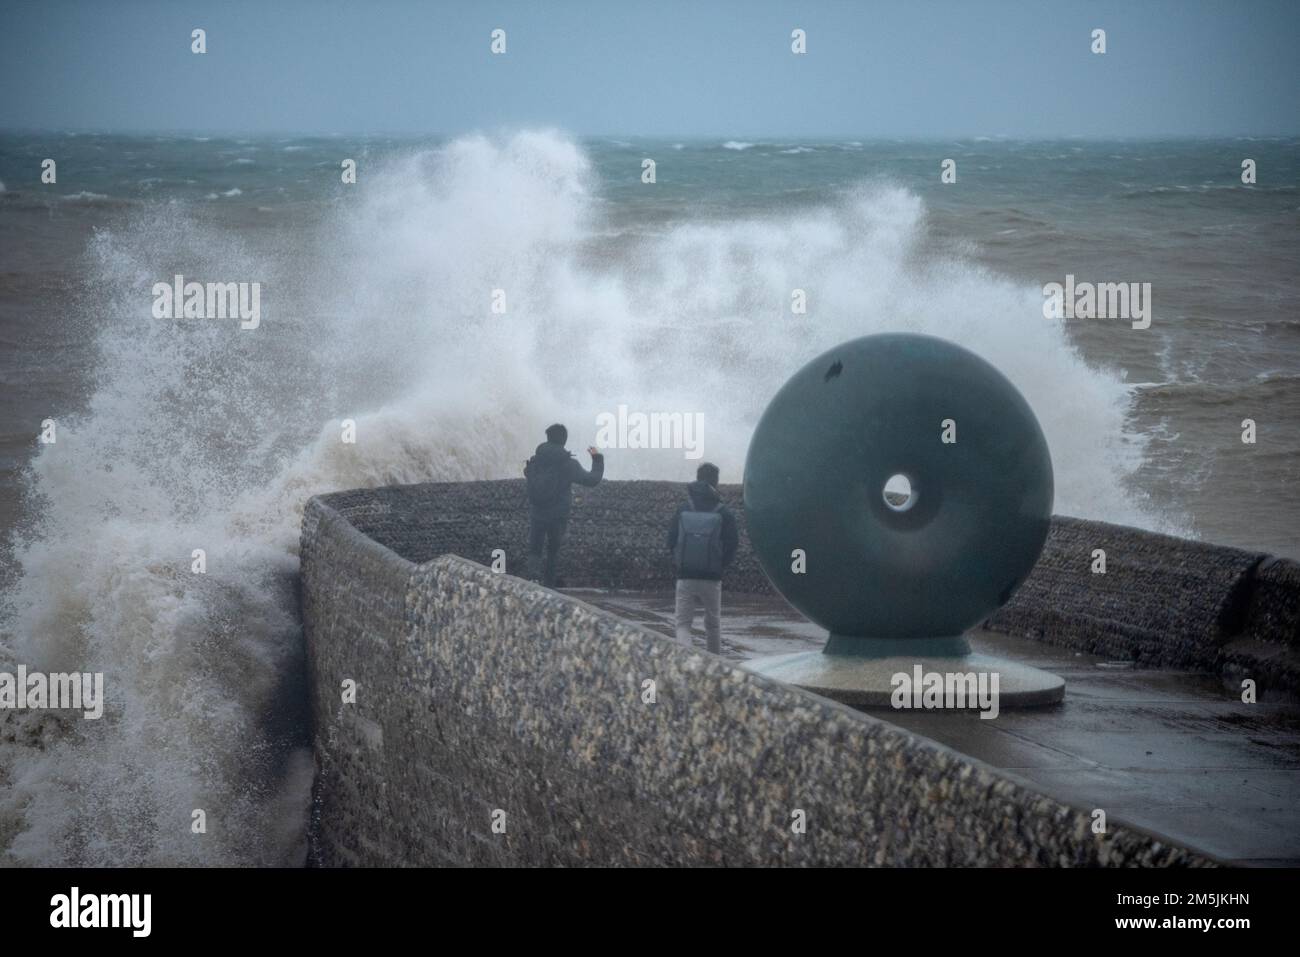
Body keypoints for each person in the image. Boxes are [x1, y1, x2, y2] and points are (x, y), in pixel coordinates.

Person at [666, 462, 738, 653]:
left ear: (697, 479)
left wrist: (679, 562)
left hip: (685, 575)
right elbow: (732, 544)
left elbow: (670, 540)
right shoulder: (723, 512)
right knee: (713, 625)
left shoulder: (683, 509)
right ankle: (714, 666)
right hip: (712, 577)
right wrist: (720, 565)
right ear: (716, 482)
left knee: (682, 624)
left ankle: (687, 662)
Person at [523, 424, 604, 587]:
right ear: (564, 440)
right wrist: (597, 459)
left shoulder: (537, 459)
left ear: (548, 437)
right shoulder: (569, 464)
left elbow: (528, 475)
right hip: (558, 516)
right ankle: (549, 586)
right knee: (553, 551)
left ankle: (531, 584)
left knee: (535, 549)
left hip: (538, 511)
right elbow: (592, 480)